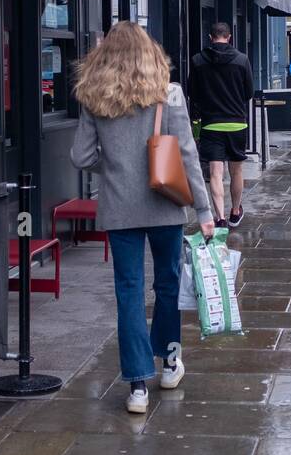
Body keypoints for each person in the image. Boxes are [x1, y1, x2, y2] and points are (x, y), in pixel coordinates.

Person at [70, 22, 214, 415]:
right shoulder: (169, 95)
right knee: (167, 285)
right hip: (165, 205)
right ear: (150, 53)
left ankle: (137, 386)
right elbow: (186, 156)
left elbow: (80, 158)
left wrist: (115, 167)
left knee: (128, 293)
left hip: (119, 208)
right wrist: (204, 210)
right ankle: (169, 363)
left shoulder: (93, 97)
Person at [188, 22, 253, 229]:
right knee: (236, 171)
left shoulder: (198, 61)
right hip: (236, 124)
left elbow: (192, 92)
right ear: (229, 37)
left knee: (216, 173)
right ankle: (235, 211)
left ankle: (220, 217)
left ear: (210, 37)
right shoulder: (242, 60)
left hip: (211, 125)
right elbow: (249, 92)